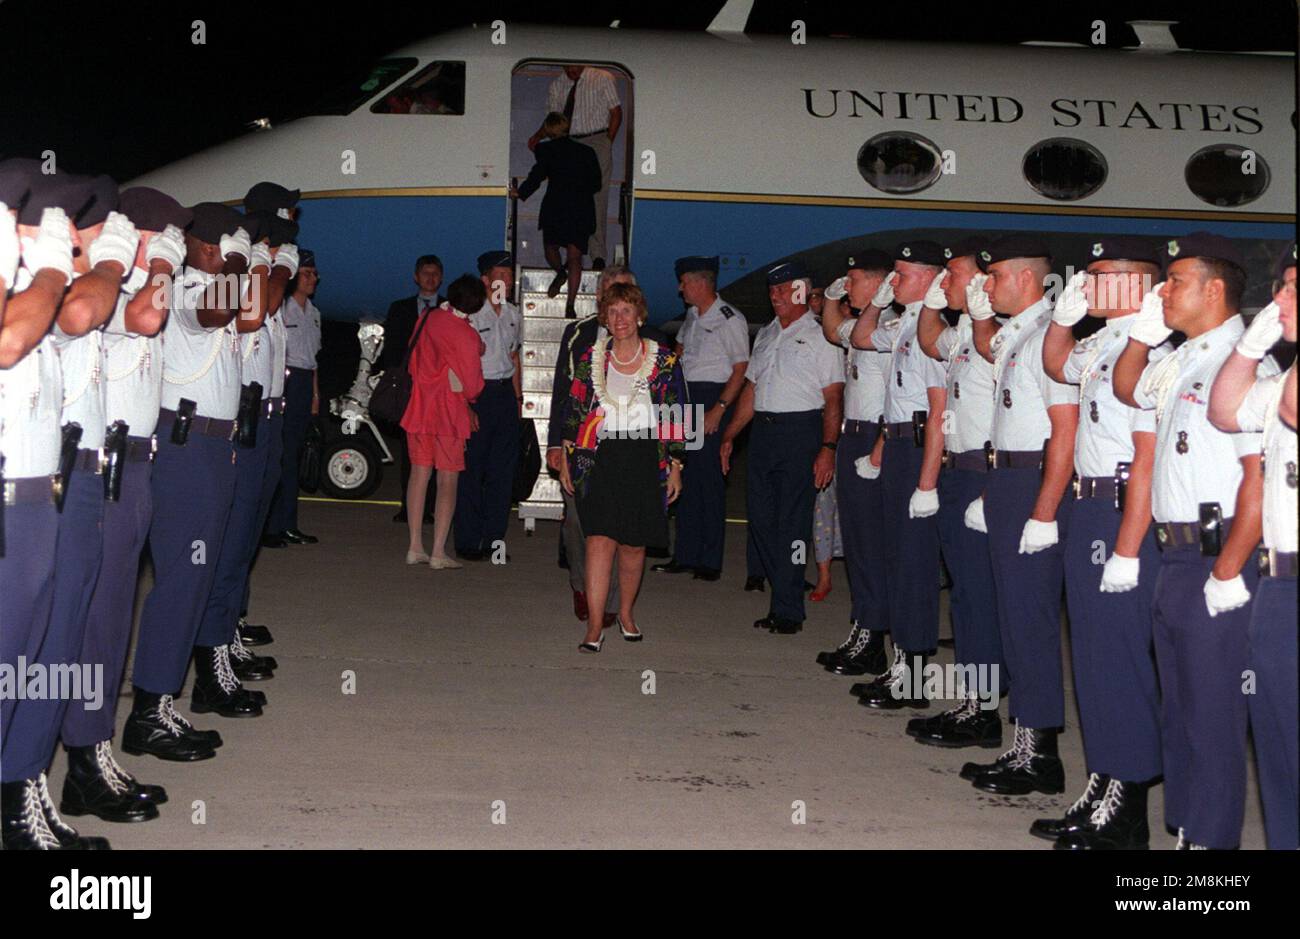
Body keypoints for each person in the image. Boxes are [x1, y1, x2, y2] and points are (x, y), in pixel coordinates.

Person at [1113, 232, 1263, 849]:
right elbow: (1129, 389)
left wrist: (1229, 570)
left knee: (1212, 717)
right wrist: (1142, 337)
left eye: (1175, 281)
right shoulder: (1183, 358)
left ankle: (1210, 852)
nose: (1163, 291)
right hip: (1174, 555)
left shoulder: (1246, 366)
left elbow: (1258, 479)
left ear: (1215, 289)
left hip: (1217, 555)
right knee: (1179, 712)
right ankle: (1187, 835)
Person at [54, 188, 190, 828]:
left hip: (135, 460)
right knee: (91, 623)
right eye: (161, 234)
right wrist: (153, 265)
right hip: (99, 467)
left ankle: (94, 750)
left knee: (110, 624)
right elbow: (143, 319)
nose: (170, 246)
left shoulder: (137, 279)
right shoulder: (107, 284)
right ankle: (82, 757)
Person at [1036, 237, 1166, 849]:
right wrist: (1063, 320)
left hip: (1123, 510)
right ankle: (1102, 779)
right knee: (1090, 657)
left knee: (1120, 660)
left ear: (1141, 284)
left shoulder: (1159, 344)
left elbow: (1147, 453)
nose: (1086, 286)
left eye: (1102, 276)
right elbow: (1055, 364)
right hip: (1088, 507)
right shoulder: (1101, 340)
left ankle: (1130, 799)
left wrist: (1129, 546)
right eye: (1085, 275)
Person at [123, 202, 251, 761]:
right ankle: (149, 711)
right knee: (181, 577)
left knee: (198, 577)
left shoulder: (206, 282)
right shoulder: (185, 290)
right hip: (185, 445)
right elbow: (220, 314)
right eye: (225, 243)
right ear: (205, 248)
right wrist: (240, 262)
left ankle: (166, 701)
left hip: (212, 443)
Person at [958, 235, 1077, 796]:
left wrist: (1045, 510)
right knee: (1013, 615)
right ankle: (1022, 743)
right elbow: (988, 351)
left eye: (995, 276)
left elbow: (1065, 429)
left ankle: (1040, 753)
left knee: (1029, 619)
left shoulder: (1049, 338)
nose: (986, 286)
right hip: (1008, 477)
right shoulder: (1020, 334)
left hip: (1034, 481)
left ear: (1027, 279)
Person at [1, 178, 89, 848]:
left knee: (30, 662)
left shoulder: (41, 287)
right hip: (10, 501)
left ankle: (20, 795)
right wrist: (52, 264)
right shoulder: (33, 284)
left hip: (41, 494)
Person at [1207, 241, 1297, 850]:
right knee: (1279, 753)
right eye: (1283, 285)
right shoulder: (1283, 374)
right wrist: (1246, 350)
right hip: (1279, 584)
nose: (1281, 298)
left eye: (1296, 288)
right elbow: (1224, 410)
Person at [908, 237, 1005, 747]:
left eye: (954, 274)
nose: (946, 281)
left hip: (983, 474)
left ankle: (983, 711)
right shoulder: (964, 333)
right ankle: (973, 701)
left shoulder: (996, 337)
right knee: (966, 598)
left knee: (980, 598)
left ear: (984, 282)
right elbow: (929, 340)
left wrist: (991, 492)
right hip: (955, 470)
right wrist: (931, 302)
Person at [847, 241, 949, 710]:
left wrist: (926, 484)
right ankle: (899, 667)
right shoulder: (904, 324)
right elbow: (861, 337)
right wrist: (878, 302)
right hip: (898, 446)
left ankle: (913, 678)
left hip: (918, 451)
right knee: (894, 559)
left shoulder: (931, 334)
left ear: (930, 281)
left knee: (913, 566)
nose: (895, 281)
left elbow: (938, 411)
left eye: (903, 275)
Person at [559, 283, 686, 652]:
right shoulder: (591, 358)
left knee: (632, 545)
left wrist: (676, 466)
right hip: (598, 458)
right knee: (598, 541)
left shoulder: (663, 359)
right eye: (613, 312)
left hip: (645, 458)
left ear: (640, 315)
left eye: (626, 311)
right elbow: (574, 411)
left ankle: (627, 613)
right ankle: (595, 627)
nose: (620, 319)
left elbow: (676, 415)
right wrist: (568, 457)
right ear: (605, 318)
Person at [720, 261, 844, 635]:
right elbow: (752, 390)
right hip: (765, 434)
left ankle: (788, 609)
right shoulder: (769, 333)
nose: (775, 297)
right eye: (771, 291)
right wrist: (729, 435)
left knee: (792, 526)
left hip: (801, 433)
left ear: (802, 292)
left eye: (783, 290)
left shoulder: (823, 336)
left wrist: (828, 447)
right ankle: (787, 588)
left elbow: (834, 397)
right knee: (761, 521)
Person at [816, 249, 894, 676]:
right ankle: (863, 630)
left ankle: (874, 636)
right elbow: (831, 329)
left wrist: (879, 448)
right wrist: (830, 297)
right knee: (859, 544)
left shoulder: (890, 330)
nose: (848, 287)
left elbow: (900, 400)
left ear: (879, 284)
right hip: (853, 434)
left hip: (874, 436)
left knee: (873, 545)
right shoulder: (862, 326)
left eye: (855, 280)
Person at [546, 265, 638, 626]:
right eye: (609, 291)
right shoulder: (578, 335)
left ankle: (612, 603)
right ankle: (582, 587)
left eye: (624, 293)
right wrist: (557, 444)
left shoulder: (653, 343)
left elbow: (673, 402)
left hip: (629, 451)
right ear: (599, 295)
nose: (616, 302)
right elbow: (562, 394)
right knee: (580, 527)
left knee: (622, 531)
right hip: (582, 447)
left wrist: (675, 460)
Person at [651, 256, 749, 581]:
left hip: (712, 399)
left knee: (708, 481)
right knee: (684, 476)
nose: (680, 289)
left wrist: (719, 408)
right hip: (687, 396)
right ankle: (686, 553)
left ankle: (709, 560)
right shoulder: (692, 315)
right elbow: (679, 351)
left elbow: (740, 368)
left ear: (700, 282)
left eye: (684, 282)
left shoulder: (729, 318)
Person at [401, 275, 486, 568]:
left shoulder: (428, 317)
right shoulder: (466, 334)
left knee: (418, 475)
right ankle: (438, 550)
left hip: (420, 405)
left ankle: (414, 545)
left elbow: (412, 359)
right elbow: (473, 386)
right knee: (447, 479)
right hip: (449, 411)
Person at [454, 251, 521, 561]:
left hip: (504, 395)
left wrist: (518, 400)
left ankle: (496, 543)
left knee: (502, 474)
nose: (507, 280)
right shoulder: (470, 314)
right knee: (470, 471)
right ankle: (468, 541)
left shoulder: (513, 314)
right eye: (501, 275)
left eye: (509, 275)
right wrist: (465, 404)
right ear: (485, 280)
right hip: (477, 396)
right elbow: (456, 364)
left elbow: (514, 358)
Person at [529, 65, 623, 270]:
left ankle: (597, 255)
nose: (571, 71)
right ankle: (573, 252)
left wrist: (607, 142)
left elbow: (616, 112)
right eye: (567, 67)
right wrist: (538, 136)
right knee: (568, 197)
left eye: (574, 67)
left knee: (597, 196)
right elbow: (552, 120)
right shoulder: (558, 84)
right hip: (568, 141)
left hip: (597, 138)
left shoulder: (602, 77)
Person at [515, 112, 602, 317]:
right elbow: (596, 184)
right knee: (575, 257)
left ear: (549, 129)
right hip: (581, 208)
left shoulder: (546, 150)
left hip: (556, 206)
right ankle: (570, 305)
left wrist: (521, 192)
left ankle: (560, 273)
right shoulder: (587, 151)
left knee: (550, 248)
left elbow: (536, 176)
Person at [264, 250, 322, 547]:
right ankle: (271, 527)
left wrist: (314, 395)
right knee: (279, 455)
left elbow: (313, 361)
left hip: (301, 383)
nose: (313, 279)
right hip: (282, 379)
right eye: (307, 273)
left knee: (294, 456)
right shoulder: (280, 307)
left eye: (314, 274)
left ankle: (288, 523)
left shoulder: (314, 313)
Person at [381, 254, 444, 524]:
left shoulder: (448, 309)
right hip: (410, 387)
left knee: (437, 448)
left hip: (438, 388)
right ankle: (408, 506)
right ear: (416, 277)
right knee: (410, 450)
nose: (430, 278)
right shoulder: (400, 309)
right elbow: (392, 348)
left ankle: (430, 507)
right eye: (425, 273)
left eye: (435, 273)